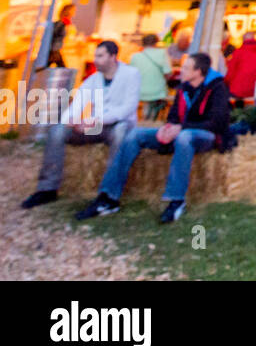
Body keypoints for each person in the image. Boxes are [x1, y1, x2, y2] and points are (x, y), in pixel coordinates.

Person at [76, 52, 229, 224]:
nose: (181, 70)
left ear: (198, 71)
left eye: (186, 67)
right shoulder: (183, 88)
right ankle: (109, 197)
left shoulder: (217, 88)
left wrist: (180, 128)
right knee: (134, 134)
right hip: (179, 132)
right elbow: (173, 116)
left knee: (184, 137)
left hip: (204, 135)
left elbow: (218, 122)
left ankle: (176, 200)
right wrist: (167, 128)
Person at [22, 41, 140, 209]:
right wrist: (70, 120)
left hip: (118, 124)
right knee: (57, 130)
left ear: (113, 57)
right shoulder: (93, 79)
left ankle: (109, 194)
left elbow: (128, 107)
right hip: (95, 125)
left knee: (121, 131)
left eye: (100, 56)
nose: (95, 60)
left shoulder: (131, 74)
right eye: (95, 56)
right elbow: (78, 102)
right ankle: (47, 188)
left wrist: (97, 120)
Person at [131, 33, 173, 121]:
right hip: (157, 93)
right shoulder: (162, 53)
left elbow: (131, 76)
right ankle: (149, 121)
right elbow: (168, 73)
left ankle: (144, 119)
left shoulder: (135, 56)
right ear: (156, 43)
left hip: (138, 92)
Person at [224, 32, 256, 103]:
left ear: (243, 40)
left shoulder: (238, 52)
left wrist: (226, 82)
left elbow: (230, 72)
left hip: (239, 90)